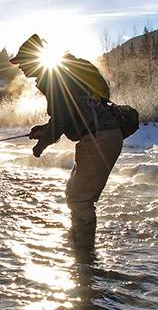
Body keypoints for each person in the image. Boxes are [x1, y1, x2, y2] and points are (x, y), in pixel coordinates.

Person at [9, 33, 124, 249]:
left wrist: (41, 145)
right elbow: (67, 114)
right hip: (100, 135)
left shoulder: (54, 76)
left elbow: (62, 117)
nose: (21, 68)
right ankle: (77, 245)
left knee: (80, 198)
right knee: (75, 192)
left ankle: (84, 255)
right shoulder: (58, 75)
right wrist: (44, 130)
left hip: (100, 136)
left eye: (22, 62)